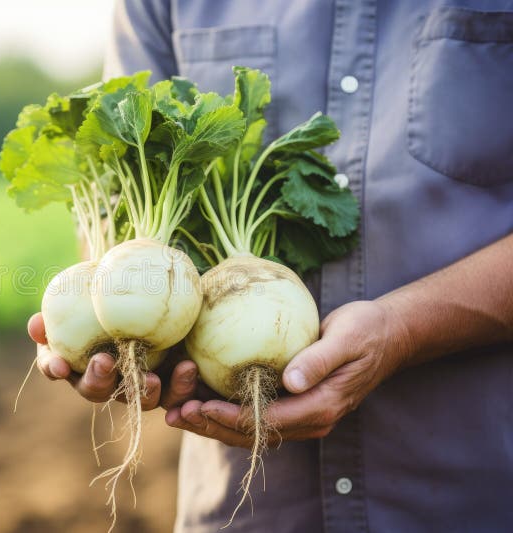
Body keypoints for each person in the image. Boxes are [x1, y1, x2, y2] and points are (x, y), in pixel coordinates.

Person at [27, 1, 513, 531]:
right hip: (244, 506)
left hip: (472, 491)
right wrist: (140, 338)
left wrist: (404, 330)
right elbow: (116, 172)